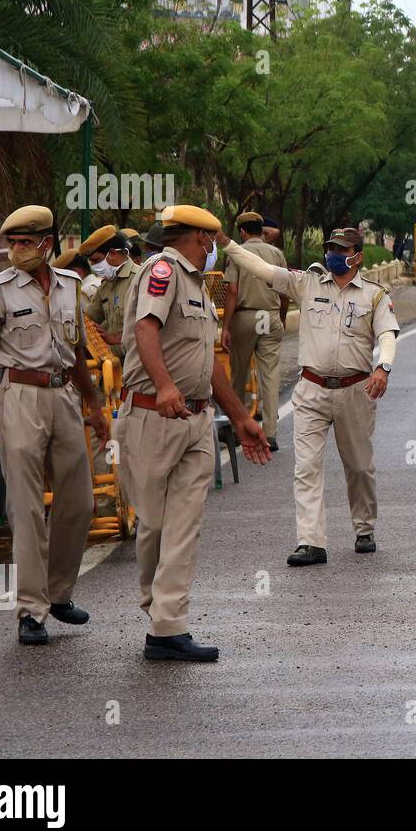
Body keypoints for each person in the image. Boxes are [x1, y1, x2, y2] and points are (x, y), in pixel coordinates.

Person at [115, 204, 270, 662]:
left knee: (183, 525)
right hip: (152, 417)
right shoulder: (161, 271)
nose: (215, 251)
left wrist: (240, 417)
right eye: (214, 242)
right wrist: (163, 385)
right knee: (156, 525)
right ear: (201, 240)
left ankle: (167, 627)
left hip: (197, 420)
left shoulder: (200, 287)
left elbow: (207, 365)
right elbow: (145, 328)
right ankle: (158, 605)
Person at [0, 205, 109, 646]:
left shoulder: (69, 286)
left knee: (80, 502)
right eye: (11, 243)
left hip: (64, 395)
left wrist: (95, 405)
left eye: (25, 243)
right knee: (26, 508)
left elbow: (77, 351)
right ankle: (31, 611)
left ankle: (59, 593)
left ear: (47, 244)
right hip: (21, 396)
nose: (16, 251)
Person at [219, 226, 399, 563]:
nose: (333, 254)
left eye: (341, 250)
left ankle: (364, 528)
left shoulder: (373, 294)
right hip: (312, 389)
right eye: (330, 248)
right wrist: (226, 243)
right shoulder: (308, 282)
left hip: (355, 390)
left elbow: (387, 333)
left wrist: (383, 366)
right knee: (306, 467)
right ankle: (311, 542)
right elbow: (261, 268)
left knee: (359, 466)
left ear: (357, 256)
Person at [221, 210, 288, 451]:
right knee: (270, 376)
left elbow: (232, 292)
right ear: (261, 230)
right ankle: (270, 434)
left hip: (246, 317)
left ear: (242, 231)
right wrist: (280, 317)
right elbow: (285, 290)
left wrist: (226, 326)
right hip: (269, 316)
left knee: (238, 375)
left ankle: (240, 429)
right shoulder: (276, 253)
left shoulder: (238, 253)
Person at [79, 225, 140, 361]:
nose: (93, 266)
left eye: (96, 260)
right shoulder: (105, 287)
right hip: (114, 364)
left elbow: (148, 326)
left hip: (139, 363)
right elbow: (86, 320)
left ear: (112, 253)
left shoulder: (140, 279)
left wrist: (115, 338)